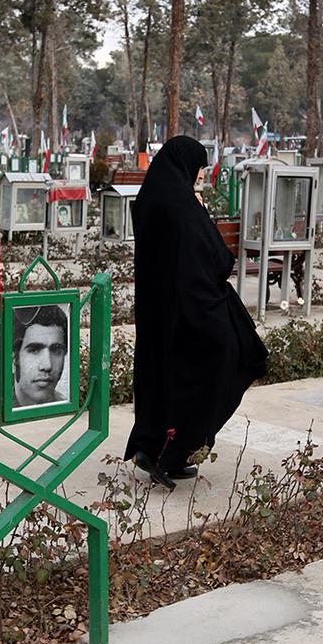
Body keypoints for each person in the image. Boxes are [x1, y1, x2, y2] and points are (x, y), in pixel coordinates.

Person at [125, 135, 268, 487]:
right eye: (199, 168)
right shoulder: (184, 207)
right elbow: (219, 259)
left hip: (157, 311)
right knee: (230, 360)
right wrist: (201, 210)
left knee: (160, 376)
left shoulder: (150, 200)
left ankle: (154, 447)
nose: (202, 174)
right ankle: (177, 450)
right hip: (192, 312)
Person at [13, 304, 68, 407]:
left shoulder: (63, 404)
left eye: (56, 351)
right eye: (34, 350)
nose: (47, 365)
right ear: (13, 359)